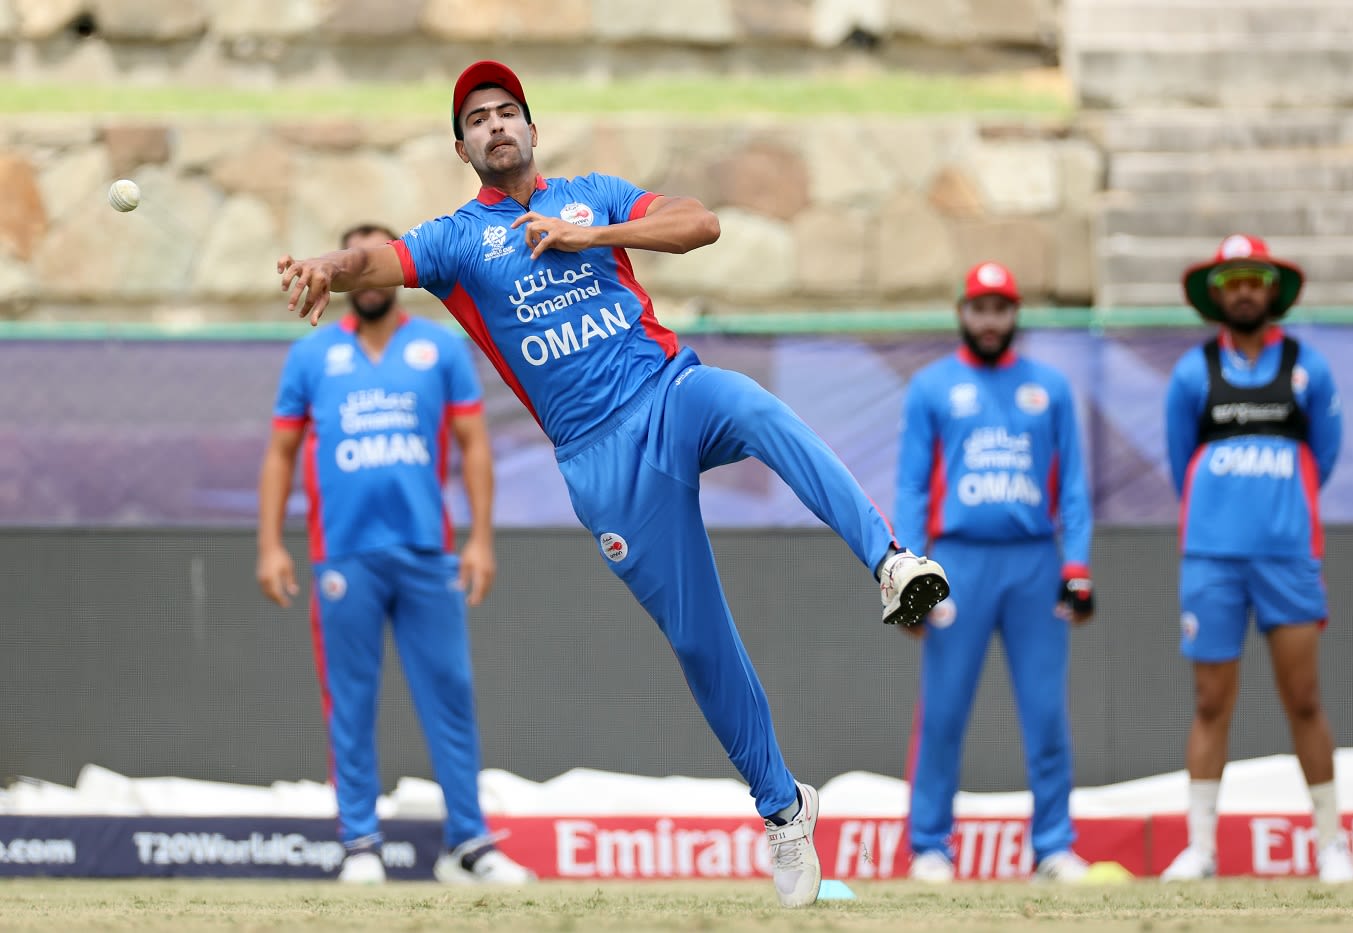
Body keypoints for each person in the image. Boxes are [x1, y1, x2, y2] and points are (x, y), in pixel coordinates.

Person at [273, 60, 951, 908]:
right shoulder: (457, 239)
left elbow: (698, 223)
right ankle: (784, 809)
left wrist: (587, 236)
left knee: (757, 408)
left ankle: (889, 561)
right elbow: (380, 258)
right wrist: (324, 267)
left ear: (530, 126)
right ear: (461, 146)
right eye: (478, 118)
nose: (495, 124)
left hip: (670, 391)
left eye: (508, 110)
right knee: (700, 638)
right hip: (600, 461)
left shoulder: (591, 193)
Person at [256, 223, 533, 886]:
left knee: (450, 693)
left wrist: (483, 538)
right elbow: (280, 454)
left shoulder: (438, 348)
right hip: (344, 555)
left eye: (374, 258)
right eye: (353, 261)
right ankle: (359, 843)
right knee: (349, 697)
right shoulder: (313, 355)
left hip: (427, 552)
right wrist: (269, 545)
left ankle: (467, 844)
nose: (366, 273)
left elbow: (473, 446)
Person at [1160, 234, 1353, 883]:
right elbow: (1179, 460)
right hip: (1211, 559)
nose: (1244, 290)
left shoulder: (1310, 368)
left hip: (1288, 557)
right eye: (1232, 280)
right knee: (1211, 701)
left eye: (1255, 278)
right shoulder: (1191, 373)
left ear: (1272, 289)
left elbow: (1322, 458)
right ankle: (1202, 849)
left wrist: (1278, 510)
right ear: (1216, 293)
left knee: (1304, 697)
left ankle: (1331, 845)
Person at [895, 262, 1095, 884]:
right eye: (979, 308)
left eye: (1000, 308)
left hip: (1034, 562)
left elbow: (1076, 490)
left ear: (1015, 314)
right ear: (962, 312)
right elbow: (909, 487)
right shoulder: (931, 387)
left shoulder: (1051, 389)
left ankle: (1054, 847)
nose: (989, 321)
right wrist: (907, 574)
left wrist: (1077, 567)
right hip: (957, 563)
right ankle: (929, 845)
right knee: (944, 710)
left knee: (1046, 713)